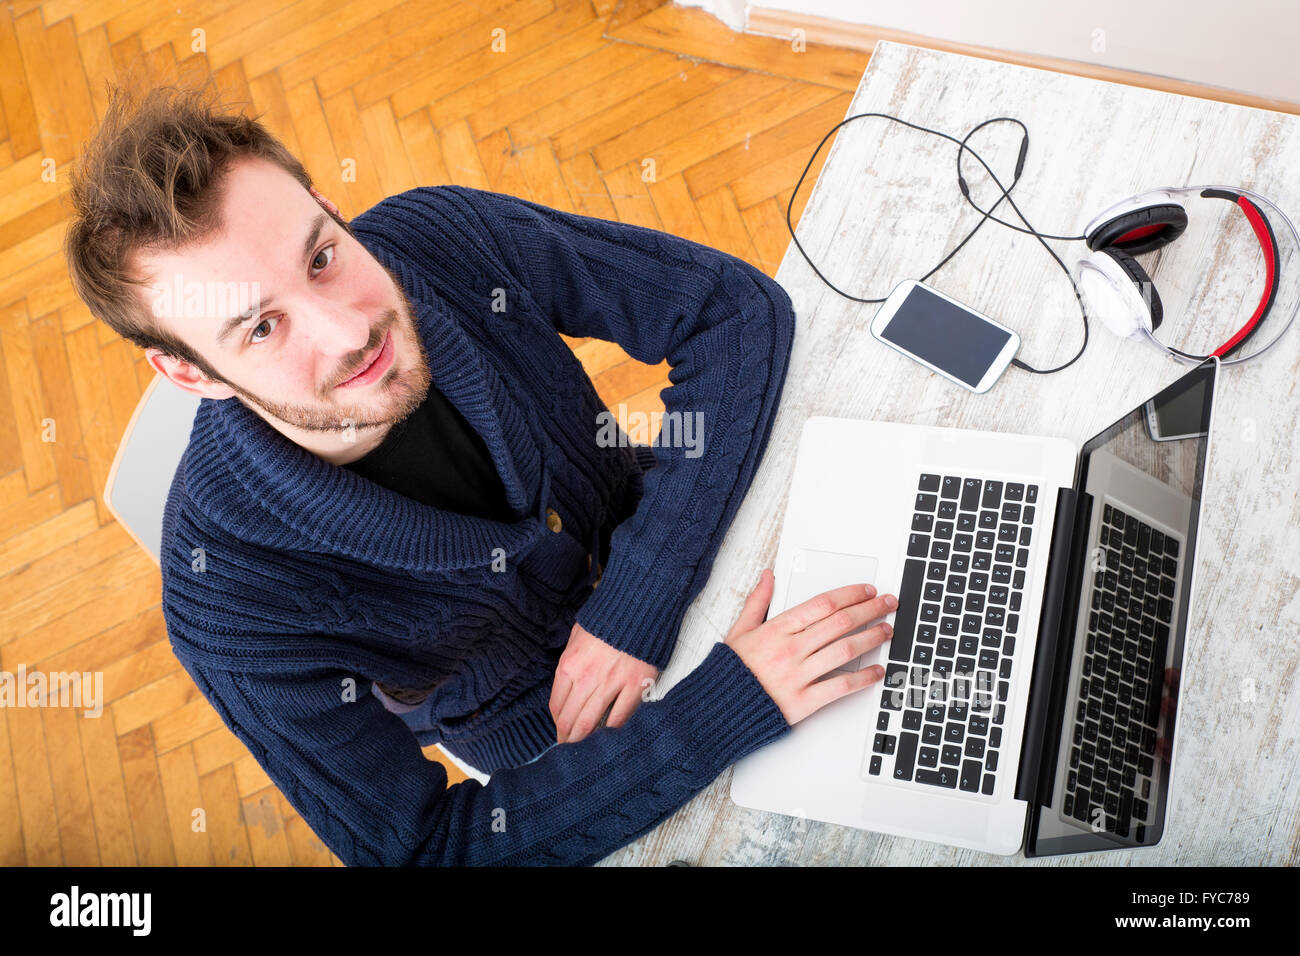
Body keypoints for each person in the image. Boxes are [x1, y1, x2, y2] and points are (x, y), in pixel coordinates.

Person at [65, 85, 897, 865]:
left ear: (329, 208)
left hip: (689, 532)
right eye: (261, 328)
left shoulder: (441, 237)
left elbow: (730, 309)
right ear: (190, 375)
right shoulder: (227, 603)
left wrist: (633, 604)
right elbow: (429, 850)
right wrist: (724, 709)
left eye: (320, 258)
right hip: (560, 740)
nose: (350, 330)